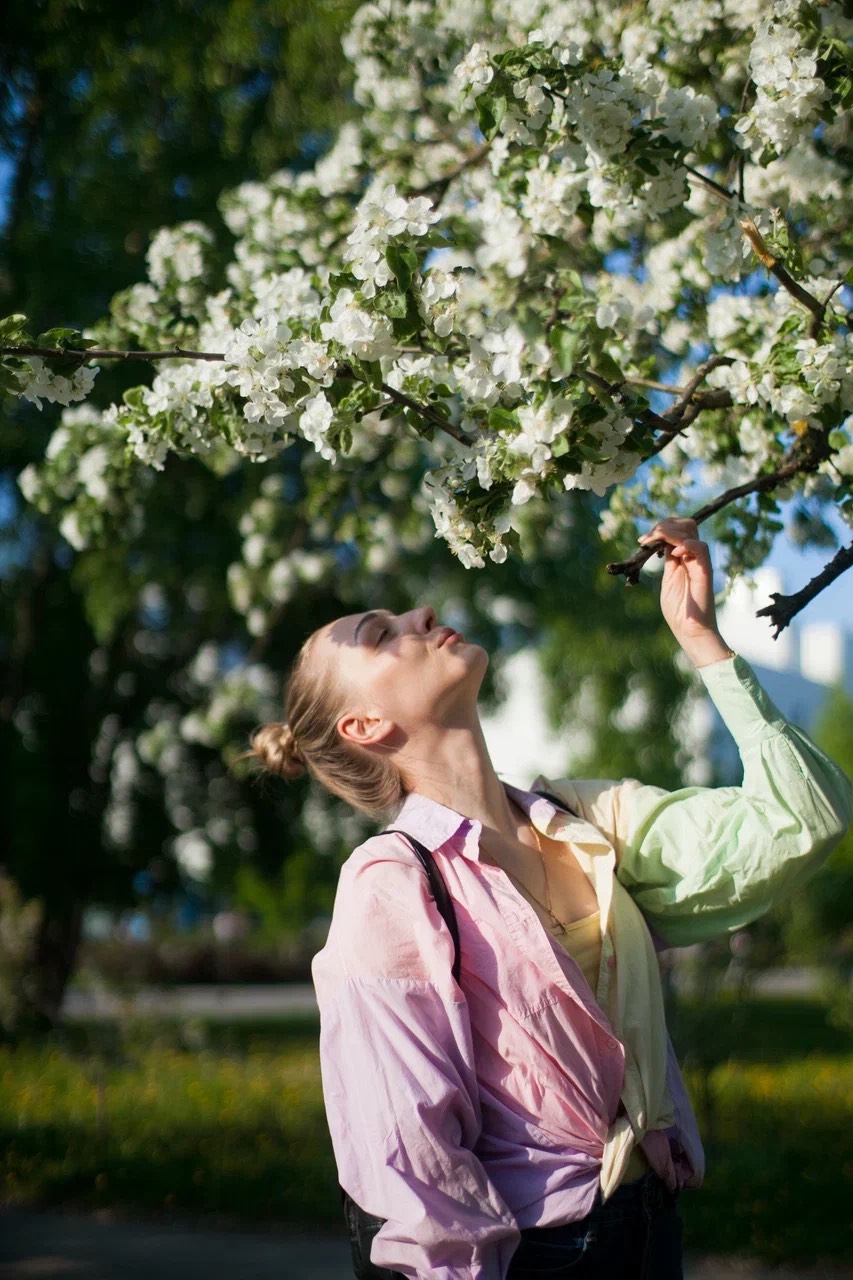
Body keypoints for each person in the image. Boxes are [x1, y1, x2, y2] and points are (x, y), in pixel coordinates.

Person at [242, 516, 852, 1279]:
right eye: (380, 633)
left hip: (652, 1229)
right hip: (540, 1255)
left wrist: (701, 640)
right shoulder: (393, 885)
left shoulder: (585, 821)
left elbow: (804, 821)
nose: (419, 617)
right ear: (365, 725)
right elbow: (411, 1165)